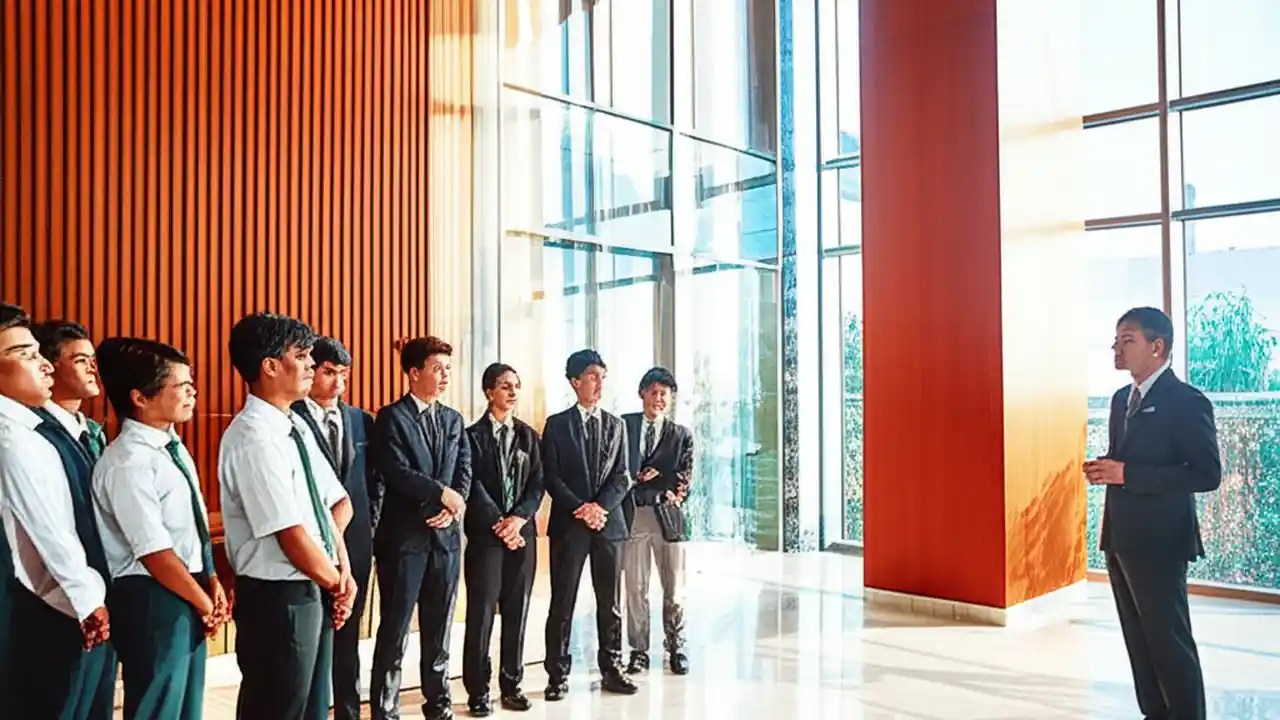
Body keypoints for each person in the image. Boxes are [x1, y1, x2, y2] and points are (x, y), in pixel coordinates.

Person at [218, 312, 359, 720]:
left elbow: (335, 503)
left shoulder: (292, 423)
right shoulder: (253, 437)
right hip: (277, 596)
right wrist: (336, 583)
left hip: (316, 583)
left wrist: (342, 571)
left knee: (311, 707)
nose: (311, 366)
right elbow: (290, 535)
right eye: (302, 355)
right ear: (270, 365)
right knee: (278, 707)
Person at [1085, 306, 1222, 720]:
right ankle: (1155, 713)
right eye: (1115, 340)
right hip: (1121, 537)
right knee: (1138, 637)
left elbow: (1206, 473)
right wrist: (1108, 469)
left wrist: (1127, 473)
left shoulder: (1186, 402)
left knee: (1169, 639)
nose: (1117, 349)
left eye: (1127, 340)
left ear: (1157, 347)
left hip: (1161, 542)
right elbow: (1131, 462)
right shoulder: (1120, 399)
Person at [92, 338, 230, 719]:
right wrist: (204, 603)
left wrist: (212, 580)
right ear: (140, 397)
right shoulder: (128, 462)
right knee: (159, 707)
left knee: (187, 706)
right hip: (153, 596)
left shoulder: (170, 444)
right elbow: (153, 551)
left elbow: (189, 527)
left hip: (188, 588)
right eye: (181, 387)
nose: (192, 393)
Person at [0, 302, 116, 719]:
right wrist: (87, 600)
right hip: (38, 612)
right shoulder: (15, 440)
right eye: (28, 356)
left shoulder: (26, 432)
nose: (44, 367)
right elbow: (50, 530)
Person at [370, 336, 472, 720]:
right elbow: (396, 471)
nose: (445, 375)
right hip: (404, 542)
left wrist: (453, 504)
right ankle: (385, 708)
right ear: (414, 373)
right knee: (395, 629)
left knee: (439, 627)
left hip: (446, 541)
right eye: (437, 368)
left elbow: (464, 470)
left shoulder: (453, 419)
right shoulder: (390, 418)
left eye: (448, 368)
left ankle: (439, 704)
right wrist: (441, 494)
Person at [290, 336, 378, 720]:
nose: (338, 382)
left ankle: (347, 712)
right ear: (312, 372)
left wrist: (369, 523)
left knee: (348, 638)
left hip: (356, 545)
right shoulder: (291, 417)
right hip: (307, 547)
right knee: (309, 643)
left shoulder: (361, 419)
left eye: (344, 374)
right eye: (329, 372)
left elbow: (373, 482)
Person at [541, 349, 637, 700]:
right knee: (562, 601)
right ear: (575, 381)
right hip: (570, 526)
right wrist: (582, 508)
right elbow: (551, 476)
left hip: (608, 526)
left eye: (603, 377)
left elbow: (623, 476)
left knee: (609, 602)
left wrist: (600, 508)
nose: (599, 383)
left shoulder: (617, 425)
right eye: (593, 376)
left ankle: (612, 668)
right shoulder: (556, 424)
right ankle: (557, 674)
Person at [461, 363, 544, 716]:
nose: (512, 392)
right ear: (488, 392)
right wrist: (500, 522)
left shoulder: (528, 435)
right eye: (504, 385)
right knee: (481, 615)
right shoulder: (470, 436)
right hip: (486, 537)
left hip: (521, 537)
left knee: (517, 612)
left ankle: (512, 684)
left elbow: (538, 482)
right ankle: (478, 691)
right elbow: (471, 484)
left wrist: (519, 519)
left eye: (516, 385)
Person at [621, 367, 693, 676]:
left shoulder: (681, 435)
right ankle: (638, 651)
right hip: (634, 515)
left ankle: (676, 645)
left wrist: (658, 482)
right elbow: (616, 468)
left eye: (665, 393)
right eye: (654, 392)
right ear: (642, 393)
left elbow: (683, 479)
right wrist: (638, 480)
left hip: (669, 519)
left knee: (674, 588)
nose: (659, 399)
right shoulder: (623, 426)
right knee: (636, 588)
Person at [32, 319, 107, 459]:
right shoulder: (37, 429)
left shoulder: (93, 431)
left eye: (92, 360)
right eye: (81, 360)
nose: (93, 369)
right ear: (49, 367)